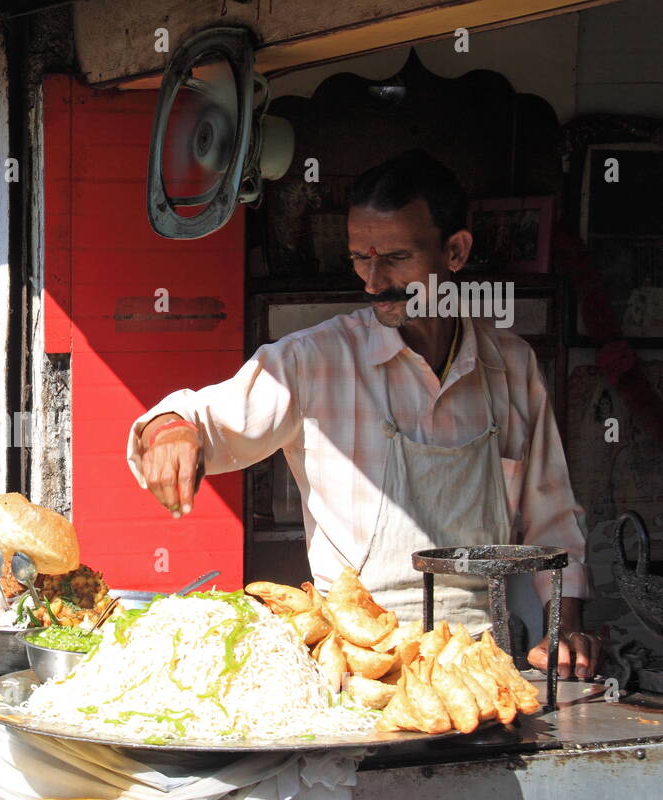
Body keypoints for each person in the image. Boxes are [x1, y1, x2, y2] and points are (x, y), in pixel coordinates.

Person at [128, 149, 599, 680]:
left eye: (395, 258)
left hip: (480, 657)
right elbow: (201, 417)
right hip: (355, 664)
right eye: (359, 257)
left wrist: (564, 630)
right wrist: (170, 428)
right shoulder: (313, 361)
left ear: (456, 251)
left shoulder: (509, 366)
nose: (373, 282)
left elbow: (551, 511)